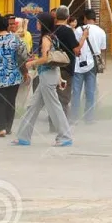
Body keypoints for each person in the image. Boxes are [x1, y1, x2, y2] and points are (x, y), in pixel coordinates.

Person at [14, 19, 73, 147]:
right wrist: (59, 78)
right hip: (48, 75)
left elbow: (46, 58)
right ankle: (23, 137)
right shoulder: (53, 37)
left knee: (54, 107)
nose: (37, 24)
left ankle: (65, 136)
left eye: (38, 22)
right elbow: (54, 59)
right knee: (32, 106)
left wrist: (32, 63)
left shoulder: (46, 38)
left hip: (47, 77)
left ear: (43, 24)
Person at [0, 13, 29, 137]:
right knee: (11, 101)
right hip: (14, 76)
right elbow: (24, 54)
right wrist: (24, 70)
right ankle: (8, 128)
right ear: (7, 26)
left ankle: (1, 128)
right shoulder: (16, 39)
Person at [72, 8, 107, 124]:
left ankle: (74, 117)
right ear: (95, 19)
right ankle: (89, 118)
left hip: (79, 64)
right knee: (90, 92)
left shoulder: (78, 30)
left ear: (85, 18)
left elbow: (75, 46)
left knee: (76, 92)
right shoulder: (101, 32)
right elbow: (102, 48)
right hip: (92, 65)